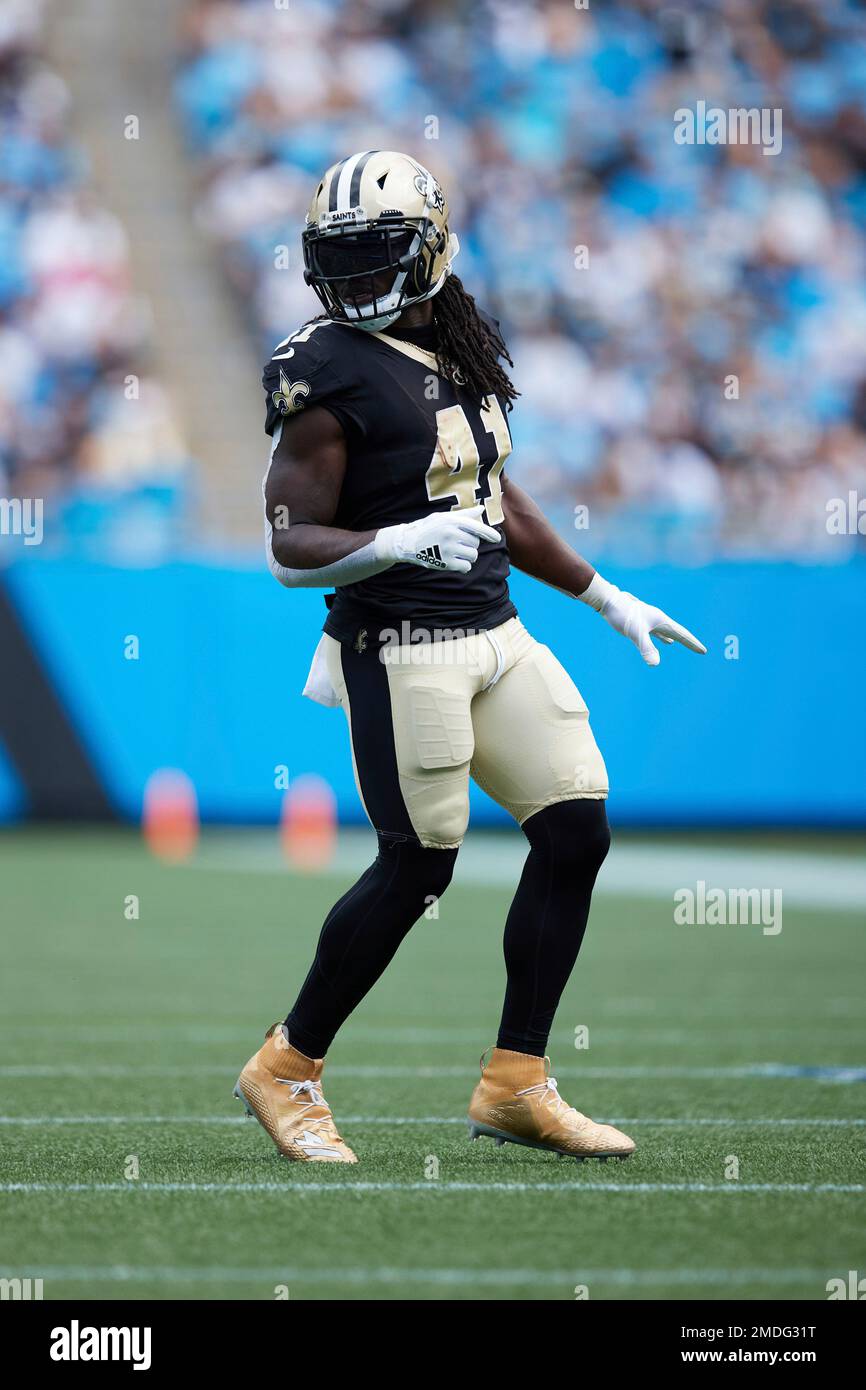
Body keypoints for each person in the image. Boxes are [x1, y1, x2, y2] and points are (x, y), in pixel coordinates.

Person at [234, 150, 705, 1163]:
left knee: (575, 829)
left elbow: (493, 493)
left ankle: (515, 1081)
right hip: (402, 645)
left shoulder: (451, 335)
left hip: (494, 631)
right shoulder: (319, 369)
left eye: (379, 253)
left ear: (431, 249)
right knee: (418, 866)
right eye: (341, 257)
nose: (360, 278)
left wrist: (602, 594)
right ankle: (285, 1066)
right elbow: (286, 545)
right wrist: (394, 541)